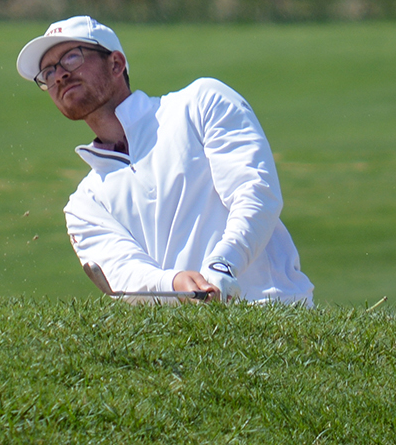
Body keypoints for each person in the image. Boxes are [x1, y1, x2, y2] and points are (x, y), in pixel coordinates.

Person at [16, 16, 314, 305]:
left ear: (116, 63)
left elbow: (256, 193)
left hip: (272, 307)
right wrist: (173, 285)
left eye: (72, 58)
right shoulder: (84, 204)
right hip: (187, 337)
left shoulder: (199, 103)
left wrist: (225, 263)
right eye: (48, 72)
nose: (60, 75)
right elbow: (123, 273)